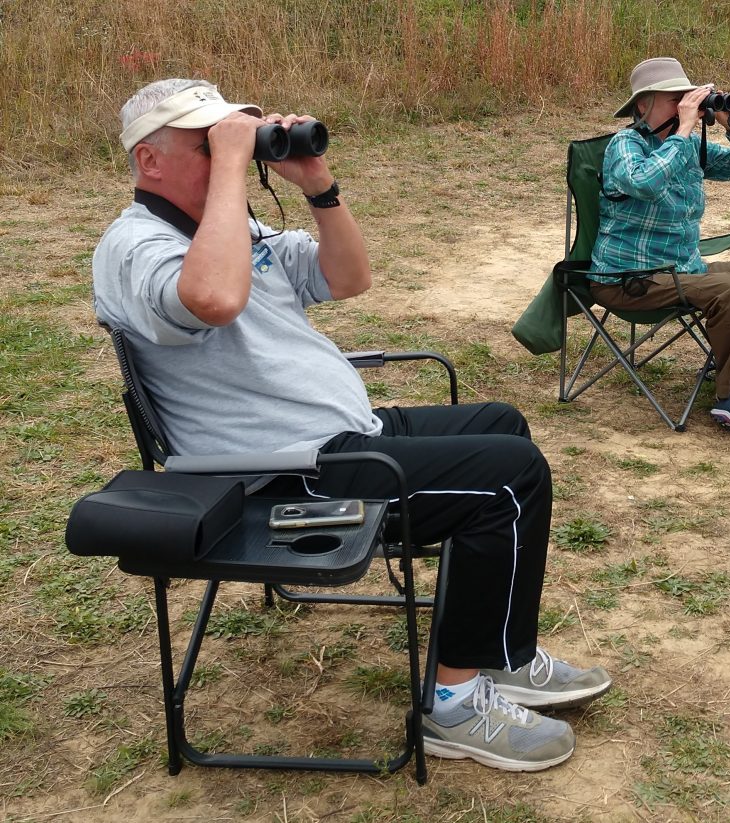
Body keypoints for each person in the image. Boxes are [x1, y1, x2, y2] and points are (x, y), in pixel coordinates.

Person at [92, 78, 612, 772]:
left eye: (233, 140)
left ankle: (496, 653)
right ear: (149, 161)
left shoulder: (237, 227)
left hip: (338, 436)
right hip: (279, 474)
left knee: (502, 423)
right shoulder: (132, 246)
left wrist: (317, 184)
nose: (232, 157)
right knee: (510, 478)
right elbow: (212, 296)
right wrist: (229, 177)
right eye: (209, 143)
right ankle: (452, 708)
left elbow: (348, 277)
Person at [589, 57, 730, 443]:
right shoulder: (625, 145)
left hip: (683, 270)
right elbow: (645, 183)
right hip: (630, 279)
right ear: (643, 104)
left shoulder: (687, 147)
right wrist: (684, 129)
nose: (684, 105)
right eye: (675, 98)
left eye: (686, 97)